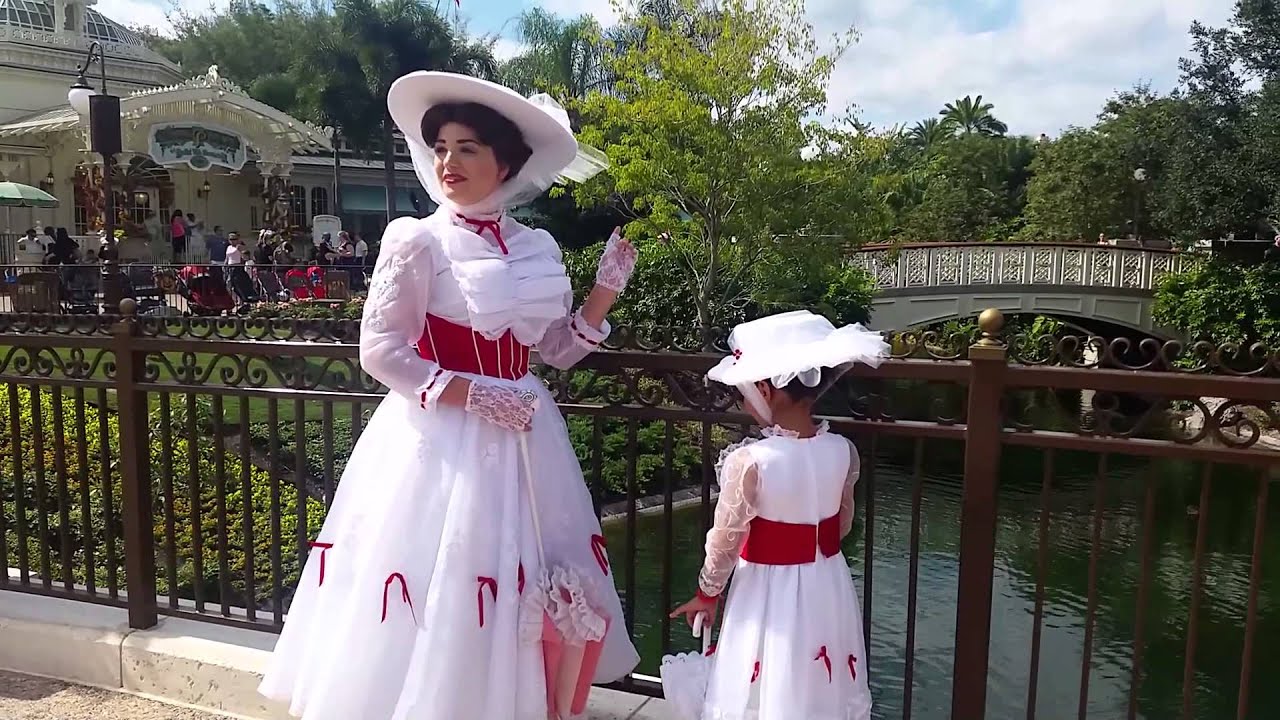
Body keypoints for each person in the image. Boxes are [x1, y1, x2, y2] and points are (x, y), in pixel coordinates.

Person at [258, 71, 640, 720]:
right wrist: (467, 394)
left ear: (506, 163)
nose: (449, 162)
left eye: (467, 148)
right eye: (441, 147)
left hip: (526, 432)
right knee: (444, 576)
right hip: (440, 437)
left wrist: (603, 294)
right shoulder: (418, 240)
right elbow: (380, 350)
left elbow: (554, 350)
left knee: (522, 576)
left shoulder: (536, 246)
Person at [667, 311, 889, 720]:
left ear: (766, 389)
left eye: (747, 390)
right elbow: (842, 523)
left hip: (767, 588)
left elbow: (725, 539)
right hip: (827, 582)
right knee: (817, 676)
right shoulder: (843, 451)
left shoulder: (751, 462)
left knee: (768, 674)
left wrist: (707, 593)